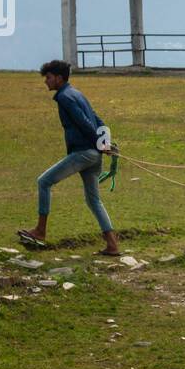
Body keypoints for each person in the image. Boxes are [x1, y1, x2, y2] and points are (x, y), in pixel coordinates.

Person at [18, 60, 121, 255]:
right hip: (94, 154)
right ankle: (112, 245)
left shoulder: (64, 97)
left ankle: (40, 231)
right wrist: (104, 142)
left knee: (44, 182)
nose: (46, 82)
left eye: (48, 78)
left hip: (82, 153)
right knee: (93, 200)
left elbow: (83, 122)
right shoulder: (77, 93)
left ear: (58, 77)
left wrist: (101, 143)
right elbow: (96, 118)